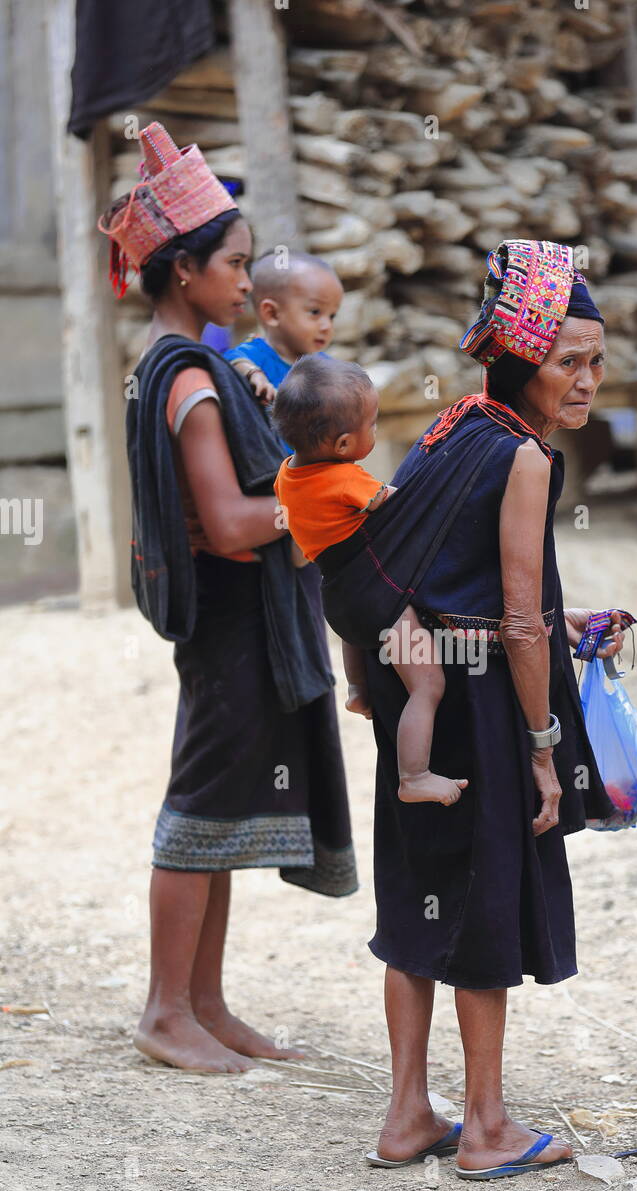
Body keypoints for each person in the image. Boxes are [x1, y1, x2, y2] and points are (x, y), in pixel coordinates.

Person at [361, 239, 628, 1178]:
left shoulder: (451, 427)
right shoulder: (522, 458)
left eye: (597, 359)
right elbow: (517, 622)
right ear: (523, 360)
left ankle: (405, 1117)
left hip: (416, 707)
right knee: (483, 904)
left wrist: (569, 620)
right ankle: (484, 1129)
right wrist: (547, 744)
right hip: (478, 712)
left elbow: (426, 564)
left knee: (418, 899)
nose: (589, 379)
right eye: (570, 361)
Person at [99, 122, 358, 1075]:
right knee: (199, 804)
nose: (249, 286)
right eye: (236, 265)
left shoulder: (201, 367)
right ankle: (166, 1011)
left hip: (241, 621)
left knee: (225, 812)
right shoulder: (189, 381)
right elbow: (236, 520)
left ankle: (206, 1003)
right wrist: (327, 495)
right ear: (184, 274)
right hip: (229, 623)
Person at [273, 355, 469, 807]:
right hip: (376, 592)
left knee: (356, 632)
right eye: (373, 424)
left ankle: (358, 689)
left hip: (337, 593)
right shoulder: (346, 480)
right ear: (344, 444)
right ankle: (414, 775)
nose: (376, 431)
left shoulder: (288, 473)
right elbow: (400, 505)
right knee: (427, 684)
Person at [224, 248, 343, 407]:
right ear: (272, 313)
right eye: (315, 312)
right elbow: (233, 360)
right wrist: (254, 374)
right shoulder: (256, 355)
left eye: (332, 316)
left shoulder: (325, 367)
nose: (327, 326)